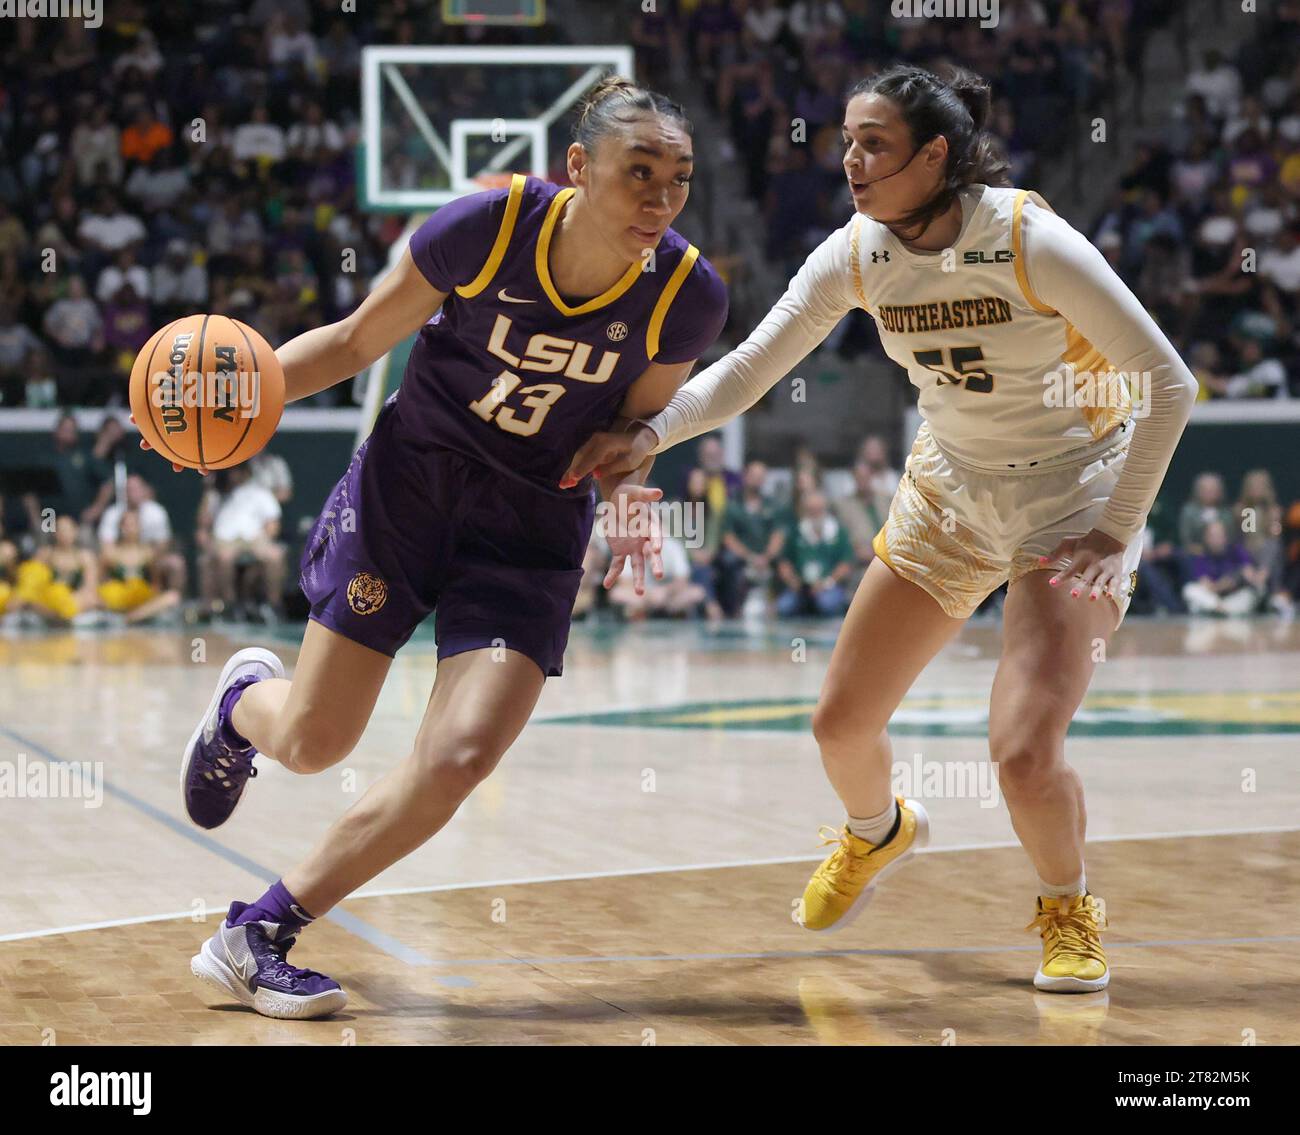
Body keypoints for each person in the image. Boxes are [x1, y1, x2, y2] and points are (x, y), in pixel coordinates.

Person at [565, 64, 1198, 994]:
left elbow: (1170, 382)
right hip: (949, 492)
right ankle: (879, 832)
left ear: (935, 156)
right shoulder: (859, 251)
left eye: (875, 145)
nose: (851, 161)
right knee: (838, 725)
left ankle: (1069, 909)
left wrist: (1117, 530)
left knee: (1022, 753)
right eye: (847, 142)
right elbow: (749, 368)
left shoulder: (1028, 238)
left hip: (1071, 503)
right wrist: (651, 431)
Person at [139, 78, 728, 1019]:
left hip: (532, 526)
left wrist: (632, 494)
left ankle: (259, 932)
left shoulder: (685, 297)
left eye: (679, 180)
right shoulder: (487, 227)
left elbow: (625, 433)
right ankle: (245, 703)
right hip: (408, 489)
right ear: (578, 168)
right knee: (313, 742)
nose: (661, 200)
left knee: (458, 757)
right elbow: (353, 340)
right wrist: (221, 406)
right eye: (640, 173)